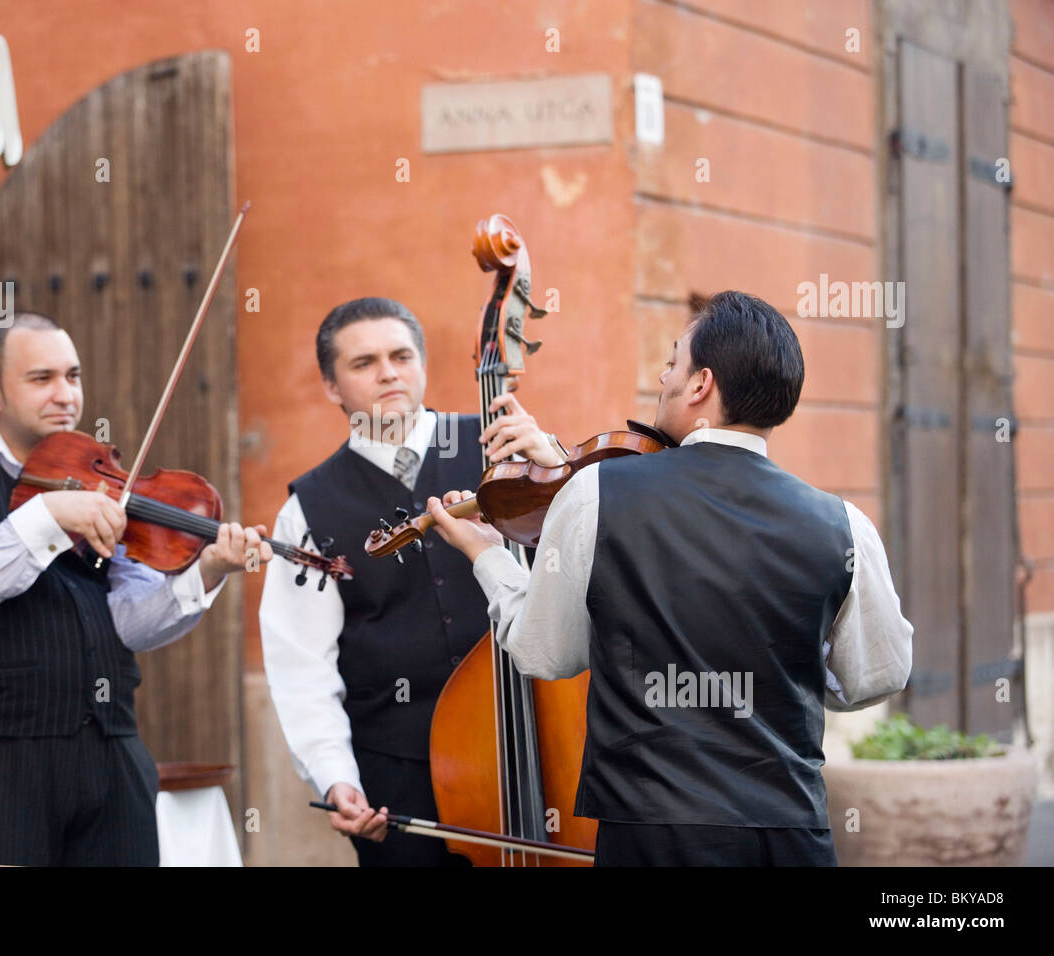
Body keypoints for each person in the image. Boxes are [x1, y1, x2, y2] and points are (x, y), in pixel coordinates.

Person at [429, 290, 914, 866]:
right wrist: (799, 671)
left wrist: (487, 554)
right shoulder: (843, 524)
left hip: (652, 840)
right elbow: (877, 676)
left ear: (701, 383)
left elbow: (545, 654)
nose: (662, 377)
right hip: (789, 839)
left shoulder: (598, 493)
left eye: (673, 361)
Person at [0, 312, 272, 866]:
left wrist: (208, 571)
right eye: (41, 378)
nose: (65, 395)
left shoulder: (106, 484)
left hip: (111, 754)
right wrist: (49, 514)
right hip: (0, 764)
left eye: (73, 377)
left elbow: (129, 624)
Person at [259, 296, 561, 865]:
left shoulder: (502, 449)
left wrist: (553, 469)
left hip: (530, 746)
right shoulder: (309, 509)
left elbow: (579, 559)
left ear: (421, 363)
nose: (389, 372)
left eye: (401, 355)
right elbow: (302, 662)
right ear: (332, 387)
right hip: (397, 775)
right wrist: (334, 777)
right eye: (364, 362)